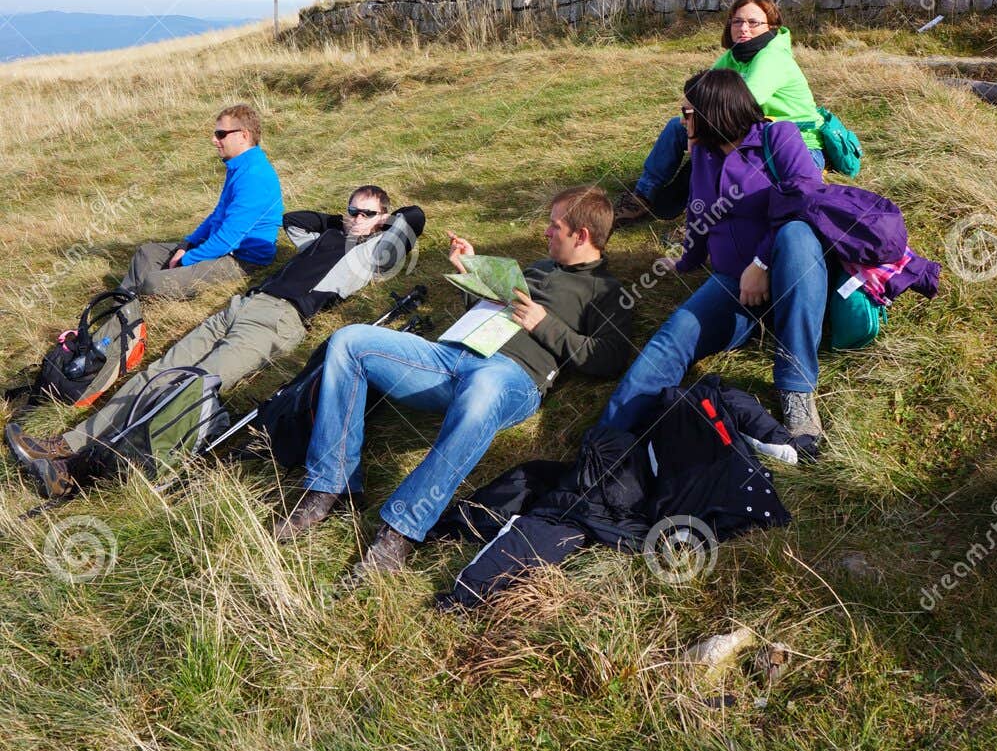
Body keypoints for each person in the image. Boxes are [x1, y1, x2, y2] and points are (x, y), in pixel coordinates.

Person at [274, 185, 633, 580]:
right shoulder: (538, 269)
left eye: (555, 226)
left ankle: (401, 530)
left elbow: (610, 358)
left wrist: (544, 324)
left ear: (581, 236)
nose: (545, 232)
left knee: (482, 392)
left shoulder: (608, 292)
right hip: (449, 355)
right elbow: (490, 309)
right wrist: (472, 272)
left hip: (509, 377)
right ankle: (331, 484)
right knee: (349, 341)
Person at [6, 187, 425, 500]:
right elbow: (295, 220)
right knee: (158, 372)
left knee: (190, 387)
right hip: (240, 307)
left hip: (278, 320)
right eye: (352, 208)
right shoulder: (327, 236)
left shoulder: (370, 258)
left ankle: (77, 472)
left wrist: (376, 227)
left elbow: (416, 216)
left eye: (366, 212)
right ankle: (67, 443)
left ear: (382, 218)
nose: (355, 217)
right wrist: (340, 221)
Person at [601, 69, 828, 443]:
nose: (681, 120)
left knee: (797, 233)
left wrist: (761, 264)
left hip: (794, 275)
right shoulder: (704, 155)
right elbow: (700, 214)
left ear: (714, 112)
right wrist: (687, 260)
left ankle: (796, 389)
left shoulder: (779, 137)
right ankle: (607, 440)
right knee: (673, 337)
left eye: (687, 112)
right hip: (734, 285)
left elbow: (807, 202)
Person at [613, 0, 825, 224]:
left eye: (753, 22)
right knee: (678, 126)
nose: (744, 28)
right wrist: (693, 119)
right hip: (750, 132)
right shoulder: (734, 56)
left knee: (710, 141)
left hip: (793, 149)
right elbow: (697, 94)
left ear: (770, 27)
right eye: (737, 22)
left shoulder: (773, 57)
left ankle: (703, 213)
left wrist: (698, 131)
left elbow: (740, 106)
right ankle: (644, 196)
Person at [119, 104, 283, 301]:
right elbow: (217, 215)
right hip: (221, 249)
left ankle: (129, 318)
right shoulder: (239, 167)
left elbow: (228, 239)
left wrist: (185, 260)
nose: (214, 140)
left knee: (154, 283)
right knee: (147, 253)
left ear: (244, 135)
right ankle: (118, 309)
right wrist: (187, 243)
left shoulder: (253, 176)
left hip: (242, 261)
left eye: (221, 134)